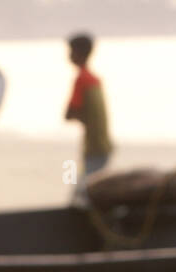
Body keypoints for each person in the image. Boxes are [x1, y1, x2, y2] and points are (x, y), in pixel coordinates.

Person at [65, 33, 112, 203]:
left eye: (70, 51)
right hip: (102, 145)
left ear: (78, 53)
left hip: (95, 147)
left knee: (81, 194)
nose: (68, 55)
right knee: (89, 189)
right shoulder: (94, 80)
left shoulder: (82, 80)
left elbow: (69, 114)